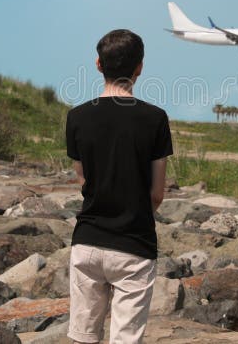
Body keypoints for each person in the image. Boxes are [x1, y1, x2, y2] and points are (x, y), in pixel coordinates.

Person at [65, 29, 173, 343]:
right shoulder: (155, 119)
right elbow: (156, 193)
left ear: (98, 64)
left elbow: (84, 181)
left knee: (83, 336)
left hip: (87, 241)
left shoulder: (77, 117)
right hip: (134, 244)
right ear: (140, 67)